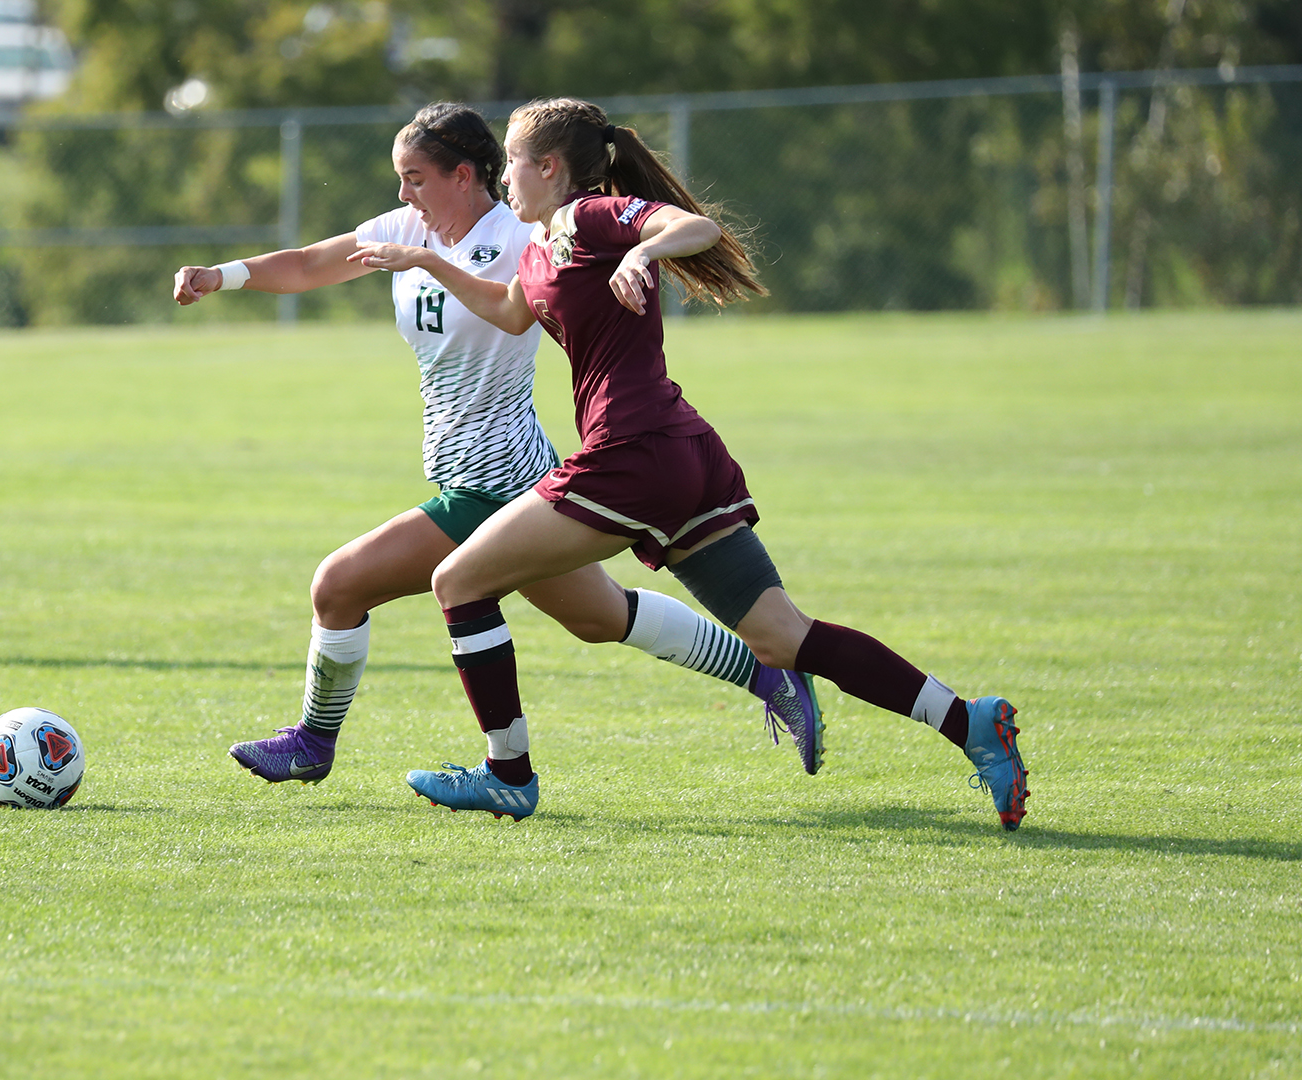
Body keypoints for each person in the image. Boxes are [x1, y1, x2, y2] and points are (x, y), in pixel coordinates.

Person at [352, 97, 1029, 829]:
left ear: (548, 167)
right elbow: (513, 310)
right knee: (781, 636)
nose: (501, 177)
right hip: (679, 452)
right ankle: (971, 722)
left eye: (510, 163)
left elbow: (691, 227)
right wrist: (423, 258)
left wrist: (643, 251)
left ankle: (508, 776)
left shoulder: (589, 217)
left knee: (457, 579)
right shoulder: (544, 244)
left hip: (632, 454)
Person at [173, 102, 824, 792]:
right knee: (601, 617)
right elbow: (309, 265)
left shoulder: (520, 228)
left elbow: (593, 240)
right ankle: (767, 673)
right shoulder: (404, 227)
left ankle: (318, 743)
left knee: (338, 585)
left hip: (495, 477)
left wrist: (639, 252)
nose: (403, 194)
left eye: (415, 178)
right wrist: (223, 275)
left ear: (464, 176)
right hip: (509, 473)